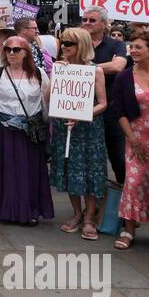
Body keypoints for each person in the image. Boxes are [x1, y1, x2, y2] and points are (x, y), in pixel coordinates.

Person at [0, 36, 55, 226]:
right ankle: (8, 210)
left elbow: (45, 105)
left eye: (16, 50)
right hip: (5, 131)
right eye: (8, 50)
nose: (11, 53)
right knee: (8, 173)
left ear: (26, 53)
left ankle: (30, 210)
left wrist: (47, 123)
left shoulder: (39, 74)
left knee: (29, 173)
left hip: (30, 132)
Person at [111, 28, 149, 250]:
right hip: (135, 136)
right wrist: (132, 139)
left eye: (138, 47)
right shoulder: (124, 76)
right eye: (131, 46)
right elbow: (120, 111)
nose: (133, 50)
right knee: (133, 183)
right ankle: (129, 229)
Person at [50, 27, 109, 240]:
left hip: (88, 129)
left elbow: (103, 103)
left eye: (69, 44)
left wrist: (82, 114)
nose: (64, 47)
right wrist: (55, 74)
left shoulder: (96, 71)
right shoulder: (60, 67)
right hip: (65, 126)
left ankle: (89, 218)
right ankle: (76, 213)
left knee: (89, 172)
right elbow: (49, 97)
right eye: (62, 43)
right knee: (69, 169)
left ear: (80, 46)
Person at [82, 7, 128, 185]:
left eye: (92, 20)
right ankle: (95, 204)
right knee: (89, 159)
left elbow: (118, 66)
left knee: (118, 157)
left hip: (110, 110)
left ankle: (124, 197)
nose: (86, 23)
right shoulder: (76, 42)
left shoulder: (116, 44)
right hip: (82, 108)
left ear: (104, 24)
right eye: (84, 20)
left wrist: (88, 68)